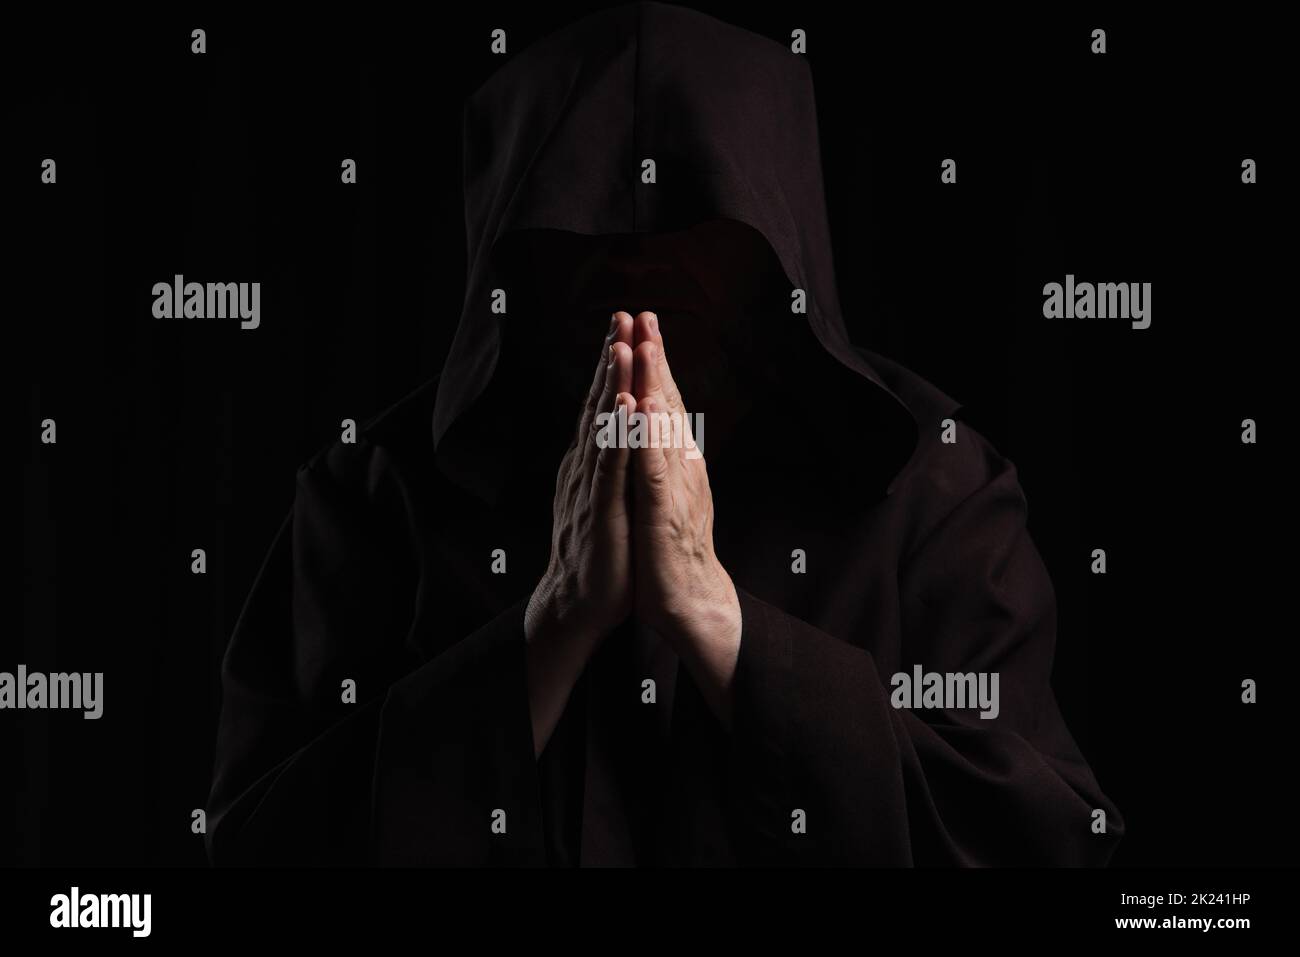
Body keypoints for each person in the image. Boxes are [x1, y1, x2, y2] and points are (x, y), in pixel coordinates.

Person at [205, 2, 1123, 866]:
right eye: (590, 243)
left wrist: (719, 621)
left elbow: (1042, 838)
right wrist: (550, 629)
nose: (643, 277)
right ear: (514, 263)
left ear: (778, 251)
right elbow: (258, 845)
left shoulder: (933, 489)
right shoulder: (372, 497)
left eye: (697, 234)